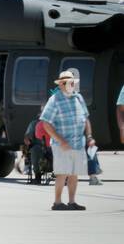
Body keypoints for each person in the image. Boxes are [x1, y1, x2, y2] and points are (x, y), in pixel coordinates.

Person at [39, 70, 92, 211]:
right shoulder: (55, 99)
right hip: (61, 145)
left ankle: (72, 202)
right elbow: (45, 123)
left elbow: (86, 118)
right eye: (68, 82)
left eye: (72, 82)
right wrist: (60, 140)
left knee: (74, 174)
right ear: (61, 84)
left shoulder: (78, 98)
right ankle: (57, 202)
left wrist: (89, 137)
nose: (71, 85)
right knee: (62, 173)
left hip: (77, 143)